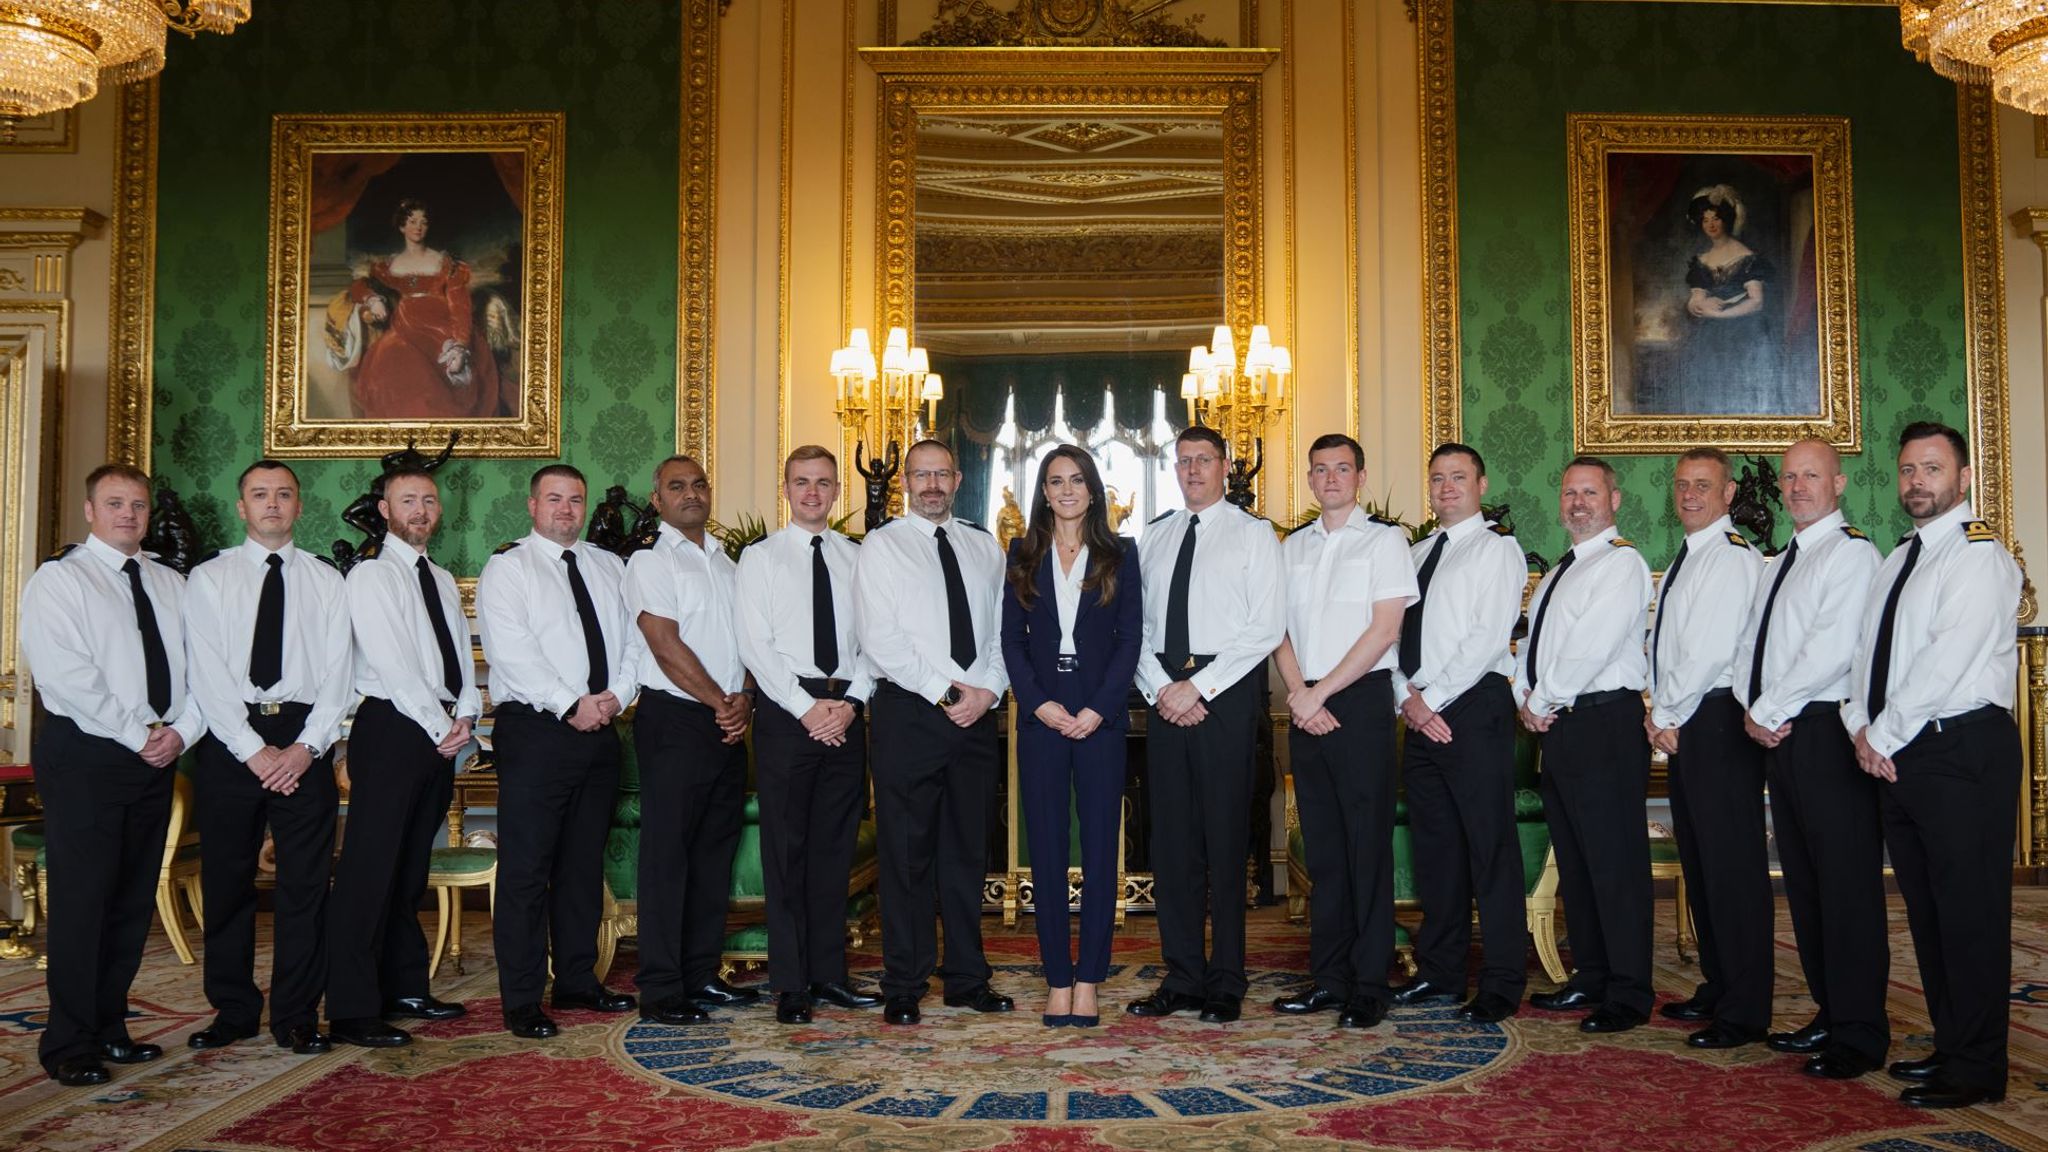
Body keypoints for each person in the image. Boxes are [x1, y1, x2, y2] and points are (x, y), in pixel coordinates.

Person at [1843, 422, 2022, 1109]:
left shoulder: (1979, 557)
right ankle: (1952, 1046)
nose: (1918, 481)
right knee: (1930, 913)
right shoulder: (1898, 559)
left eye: (1933, 469)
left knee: (1970, 915)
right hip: (1902, 751)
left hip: (1961, 748)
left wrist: (1879, 734)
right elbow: (1868, 657)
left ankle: (1978, 1068)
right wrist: (1859, 723)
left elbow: (1944, 663)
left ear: (1964, 477)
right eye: (1909, 469)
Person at [20, 465, 207, 1085]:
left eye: (138, 505)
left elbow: (205, 669)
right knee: (83, 901)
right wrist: (142, 735)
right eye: (115, 503)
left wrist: (181, 731)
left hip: (158, 753)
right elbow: (67, 678)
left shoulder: (169, 582)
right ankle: (68, 1041)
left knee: (130, 901)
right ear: (89, 510)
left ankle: (110, 1026)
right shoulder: (60, 580)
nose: (128, 514)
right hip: (88, 756)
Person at [182, 460, 352, 1057]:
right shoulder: (208, 578)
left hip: (306, 737)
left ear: (300, 506)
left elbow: (340, 674)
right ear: (241, 507)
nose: (273, 504)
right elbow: (204, 676)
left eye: (283, 494)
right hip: (232, 743)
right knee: (228, 883)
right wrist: (255, 753)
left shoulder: (327, 580)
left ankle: (297, 1016)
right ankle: (232, 1010)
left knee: (305, 888)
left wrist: (306, 748)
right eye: (260, 494)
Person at [1729, 437, 1886, 1079]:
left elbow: (1830, 650)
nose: (1796, 487)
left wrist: (1768, 710)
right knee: (1806, 884)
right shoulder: (1776, 562)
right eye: (1790, 477)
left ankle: (1860, 1032)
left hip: (1820, 729)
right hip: (1777, 729)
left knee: (1845, 885)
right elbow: (1749, 645)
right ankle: (1829, 1011)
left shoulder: (1852, 555)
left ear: (1838, 484)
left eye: (1810, 476)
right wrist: (1751, 704)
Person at [476, 464, 645, 1039]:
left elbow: (632, 643)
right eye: (554, 499)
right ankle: (522, 998)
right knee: (528, 870)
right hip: (537, 730)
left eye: (575, 500)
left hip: (601, 726)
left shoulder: (607, 565)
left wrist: (616, 697)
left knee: (581, 864)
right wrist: (569, 703)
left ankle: (577, 979)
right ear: (532, 505)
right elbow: (512, 653)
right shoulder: (507, 568)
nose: (566, 510)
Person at [1126, 426, 1285, 1024]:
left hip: (1225, 697)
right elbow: (1135, 626)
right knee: (1172, 846)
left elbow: (1265, 625)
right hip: (1166, 697)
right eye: (1184, 461)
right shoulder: (1156, 536)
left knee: (1223, 843)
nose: (1193, 470)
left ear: (1224, 467)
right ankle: (1183, 975)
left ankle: (1227, 979)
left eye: (1204, 460)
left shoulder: (1253, 533)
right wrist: (1162, 688)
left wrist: (1201, 687)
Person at [855, 439, 1013, 1025]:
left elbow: (1002, 631)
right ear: (904, 481)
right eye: (920, 475)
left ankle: (968, 977)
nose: (931, 485)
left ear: (957, 477)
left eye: (940, 474)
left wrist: (988, 691)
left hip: (975, 715)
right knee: (906, 854)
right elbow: (881, 638)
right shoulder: (880, 547)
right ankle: (904, 981)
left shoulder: (984, 546)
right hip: (911, 714)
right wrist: (947, 692)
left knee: (968, 854)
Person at [326, 467, 481, 1048]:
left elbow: (459, 657)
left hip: (439, 728)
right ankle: (352, 1008)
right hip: (393, 727)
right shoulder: (371, 574)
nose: (420, 509)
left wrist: (465, 715)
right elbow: (391, 661)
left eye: (429, 501)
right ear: (385, 511)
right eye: (407, 501)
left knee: (410, 868)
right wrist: (442, 725)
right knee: (371, 870)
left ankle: (404, 986)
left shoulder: (439, 576)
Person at [733, 446, 884, 1025]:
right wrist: (805, 709)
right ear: (787, 489)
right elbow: (755, 644)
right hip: (786, 714)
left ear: (837, 490)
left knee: (833, 852)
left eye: (823, 483)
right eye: (802, 482)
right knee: (787, 851)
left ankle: (829, 976)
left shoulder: (859, 558)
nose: (813, 493)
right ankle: (791, 983)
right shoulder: (760, 558)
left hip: (846, 711)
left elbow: (876, 639)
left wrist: (849, 705)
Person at [1269, 434, 1416, 1028]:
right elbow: (1273, 628)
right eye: (1320, 469)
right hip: (1305, 703)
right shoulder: (1291, 548)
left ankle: (1369, 984)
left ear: (1360, 476)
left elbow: (1385, 629)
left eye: (1342, 469)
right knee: (1325, 853)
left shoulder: (1385, 541)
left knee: (1365, 849)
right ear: (1309, 479)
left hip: (1358, 704)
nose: (1331, 478)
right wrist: (1300, 694)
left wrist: (1319, 692)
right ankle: (1328, 979)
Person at [999, 445, 1143, 1028]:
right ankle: (1058, 978)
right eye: (1055, 481)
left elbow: (1130, 638)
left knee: (1103, 850)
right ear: (1044, 491)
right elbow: (1010, 640)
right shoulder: (1021, 552)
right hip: (1042, 718)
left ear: (1092, 490)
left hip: (1100, 719)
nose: (1066, 490)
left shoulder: (1119, 554)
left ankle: (1090, 981)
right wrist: (1039, 704)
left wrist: (1099, 709)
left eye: (1076, 480)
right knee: (1048, 851)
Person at [1389, 443, 1531, 1024]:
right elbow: (1391, 634)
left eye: (1458, 477)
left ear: (1481, 482)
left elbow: (1488, 636)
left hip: (1471, 707)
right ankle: (1440, 973)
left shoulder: (1498, 548)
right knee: (1436, 852)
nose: (1447, 487)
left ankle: (1500, 980)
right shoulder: (1415, 552)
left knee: (1488, 848)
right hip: (1419, 710)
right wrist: (1406, 698)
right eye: (1438, 478)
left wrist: (1431, 701)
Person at [1517, 455, 1655, 1034]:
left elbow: (1589, 649)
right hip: (1564, 724)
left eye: (1590, 492)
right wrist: (1527, 691)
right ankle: (1592, 975)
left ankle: (1628, 991)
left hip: (1602, 723)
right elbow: (1533, 644)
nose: (1578, 502)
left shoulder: (1623, 565)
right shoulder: (1559, 571)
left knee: (1615, 862)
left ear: (1614, 500)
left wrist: (1541, 699)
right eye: (1570, 492)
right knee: (1576, 860)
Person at [625, 455, 759, 1024]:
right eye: (676, 487)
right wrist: (719, 702)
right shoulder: (650, 563)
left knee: (713, 856)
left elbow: (754, 641)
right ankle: (660, 988)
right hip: (676, 721)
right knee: (668, 857)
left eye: (699, 483)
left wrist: (744, 699)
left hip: (729, 722)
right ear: (657, 501)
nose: (691, 493)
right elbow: (663, 642)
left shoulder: (730, 565)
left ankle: (702, 976)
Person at [1645, 448, 1767, 1049]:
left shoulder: (1732, 557)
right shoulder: (1688, 557)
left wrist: (1666, 715)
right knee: (1701, 862)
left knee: (1732, 868)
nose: (1689, 494)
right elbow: (1668, 648)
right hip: (1687, 719)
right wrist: (1664, 715)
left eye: (1703, 485)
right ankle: (1721, 985)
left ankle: (1745, 1008)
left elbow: (1712, 651)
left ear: (1729, 492)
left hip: (1715, 717)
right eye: (1682, 485)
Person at [330, 198, 505, 420]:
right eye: (412, 221)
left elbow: (460, 307)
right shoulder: (389, 265)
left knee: (441, 385)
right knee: (389, 360)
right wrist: (373, 300)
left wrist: (459, 347)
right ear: (402, 227)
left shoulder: (446, 264)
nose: (418, 227)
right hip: (404, 329)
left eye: (423, 222)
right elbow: (358, 286)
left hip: (442, 330)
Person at [1678, 185, 1784, 415]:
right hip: (1711, 339)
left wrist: (1719, 313)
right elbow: (1696, 298)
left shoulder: (1747, 257)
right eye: (1705, 220)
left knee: (1743, 387)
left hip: (1746, 334)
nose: (1711, 225)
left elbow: (1756, 301)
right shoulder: (1702, 259)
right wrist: (1698, 305)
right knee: (1709, 388)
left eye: (1716, 219)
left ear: (1726, 219)